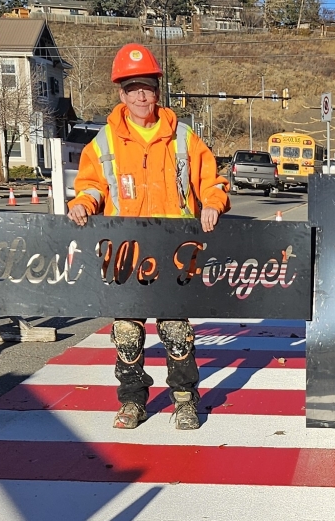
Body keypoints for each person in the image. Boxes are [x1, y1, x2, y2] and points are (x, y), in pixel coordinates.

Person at [67, 43, 231, 431]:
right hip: (124, 252)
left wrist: (212, 202)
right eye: (132, 88)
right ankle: (132, 402)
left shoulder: (183, 138)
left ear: (158, 90)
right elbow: (92, 186)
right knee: (127, 332)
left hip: (175, 251)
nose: (142, 95)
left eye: (148, 87)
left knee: (176, 331)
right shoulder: (104, 142)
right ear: (121, 93)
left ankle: (186, 400)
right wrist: (83, 204)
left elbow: (212, 181)